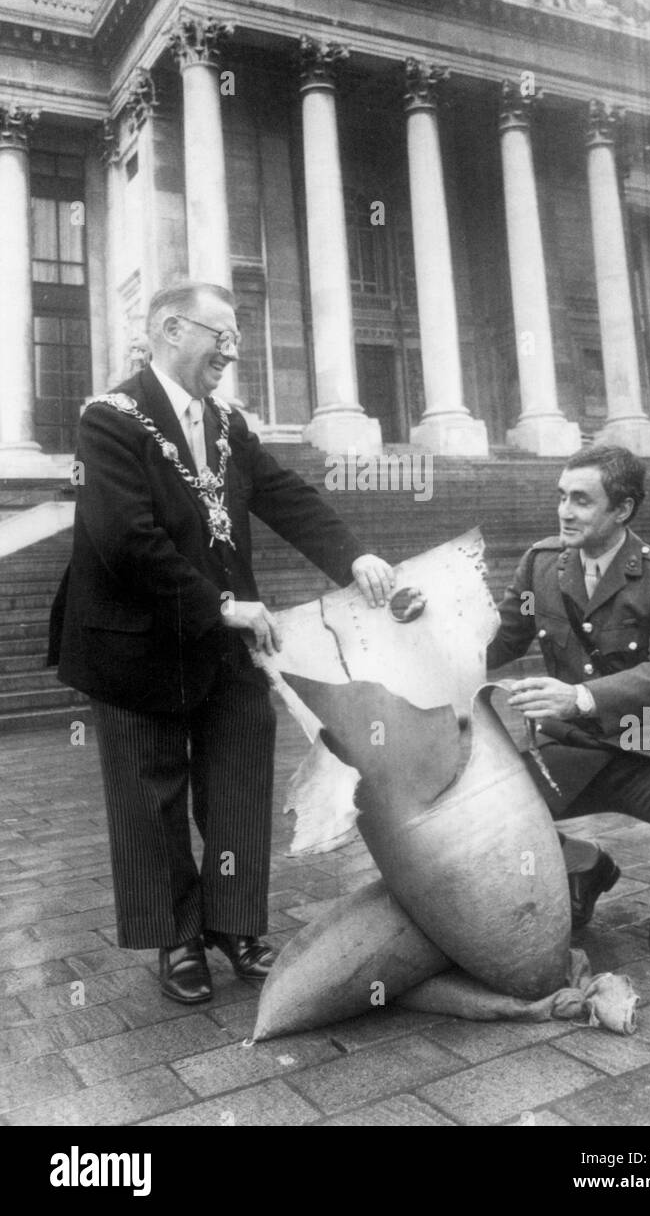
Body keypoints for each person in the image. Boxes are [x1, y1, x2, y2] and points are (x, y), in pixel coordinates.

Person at [48, 280, 394, 1004]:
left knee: (238, 779)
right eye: (220, 335)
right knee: (151, 795)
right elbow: (123, 540)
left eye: (236, 338)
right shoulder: (110, 420)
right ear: (172, 331)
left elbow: (286, 496)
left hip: (227, 639)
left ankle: (234, 924)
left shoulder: (230, 423)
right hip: (135, 642)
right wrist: (223, 605)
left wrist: (353, 556)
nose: (232, 352)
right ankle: (177, 938)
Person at [487, 444, 650, 954]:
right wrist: (428, 619)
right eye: (561, 497)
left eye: (581, 500)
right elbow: (497, 645)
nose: (564, 511)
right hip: (570, 748)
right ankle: (586, 866)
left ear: (621, 509)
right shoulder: (540, 566)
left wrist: (579, 696)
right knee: (478, 821)